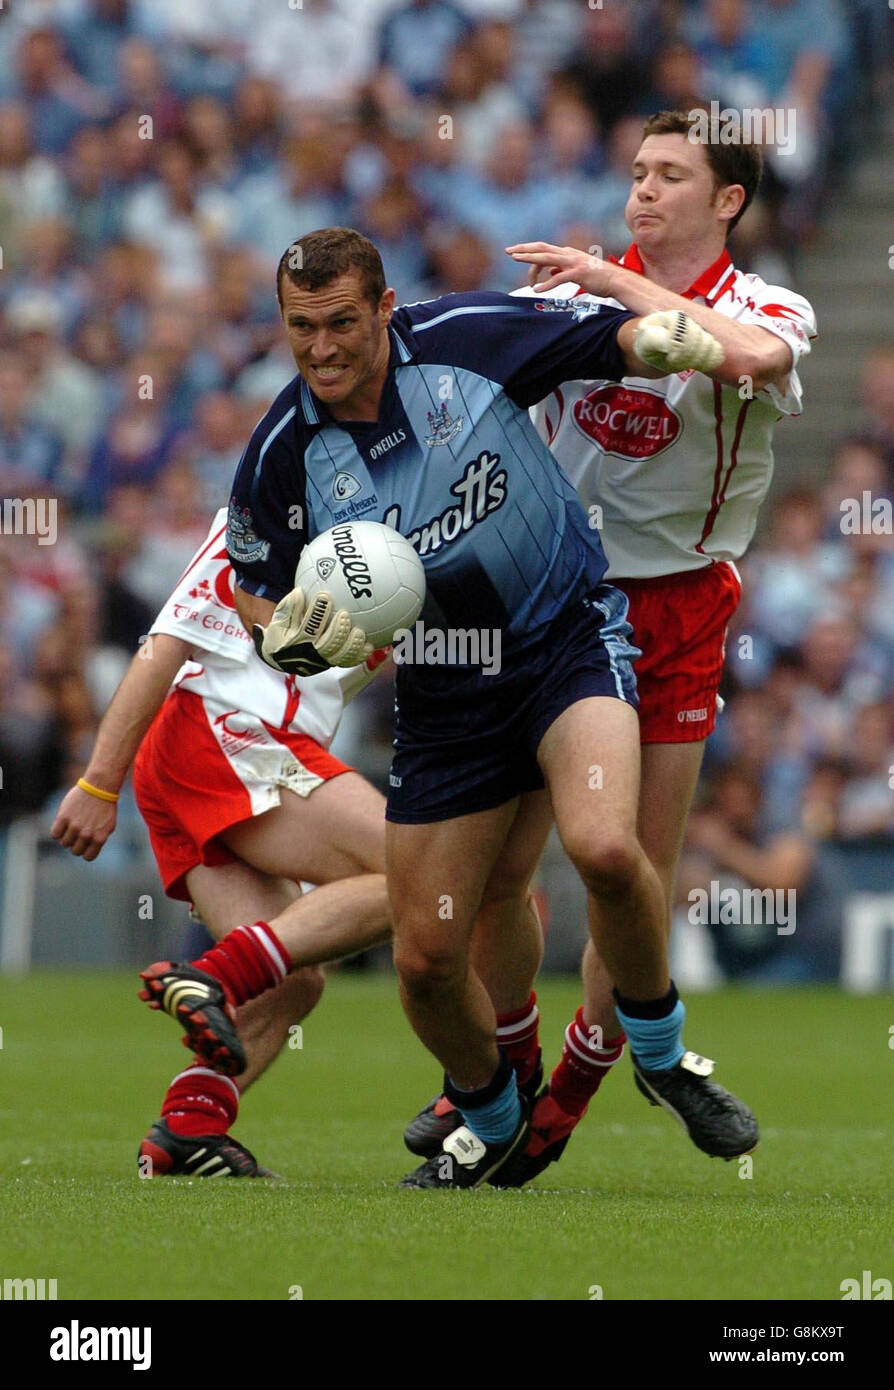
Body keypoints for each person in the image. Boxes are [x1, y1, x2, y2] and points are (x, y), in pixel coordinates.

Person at [191, 224, 755, 1191]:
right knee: (425, 961)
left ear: (384, 309)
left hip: (564, 643)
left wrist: (657, 337)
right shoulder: (284, 450)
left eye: (341, 323)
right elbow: (253, 587)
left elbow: (602, 337)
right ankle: (493, 1111)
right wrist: (295, 638)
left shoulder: (464, 337)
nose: (322, 348)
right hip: (446, 698)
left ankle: (661, 1055)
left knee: (605, 847)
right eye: (301, 328)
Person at [409, 107, 812, 1180]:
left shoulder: (771, 304)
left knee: (627, 867)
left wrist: (608, 281)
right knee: (501, 873)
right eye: (637, 170)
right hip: (553, 596)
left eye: (671, 173)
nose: (643, 189)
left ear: (728, 199)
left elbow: (746, 356)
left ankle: (569, 1101)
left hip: (679, 605)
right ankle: (501, 1073)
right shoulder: (565, 298)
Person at [52, 506, 393, 1177]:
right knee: (418, 872)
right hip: (224, 733)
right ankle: (211, 975)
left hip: (213, 753)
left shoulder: (419, 527)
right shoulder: (268, 508)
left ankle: (187, 1129)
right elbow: (166, 643)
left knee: (294, 979)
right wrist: (98, 783)